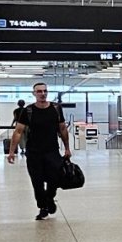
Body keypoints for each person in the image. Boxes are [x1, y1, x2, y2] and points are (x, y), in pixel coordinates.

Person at [8, 81, 72, 221]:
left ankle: (49, 198)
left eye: (45, 91)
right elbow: (18, 131)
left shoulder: (56, 108)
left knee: (54, 178)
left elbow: (62, 128)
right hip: (34, 152)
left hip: (52, 151)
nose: (42, 94)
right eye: (39, 91)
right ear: (34, 94)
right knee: (37, 182)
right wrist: (12, 151)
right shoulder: (28, 111)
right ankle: (43, 207)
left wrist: (67, 148)